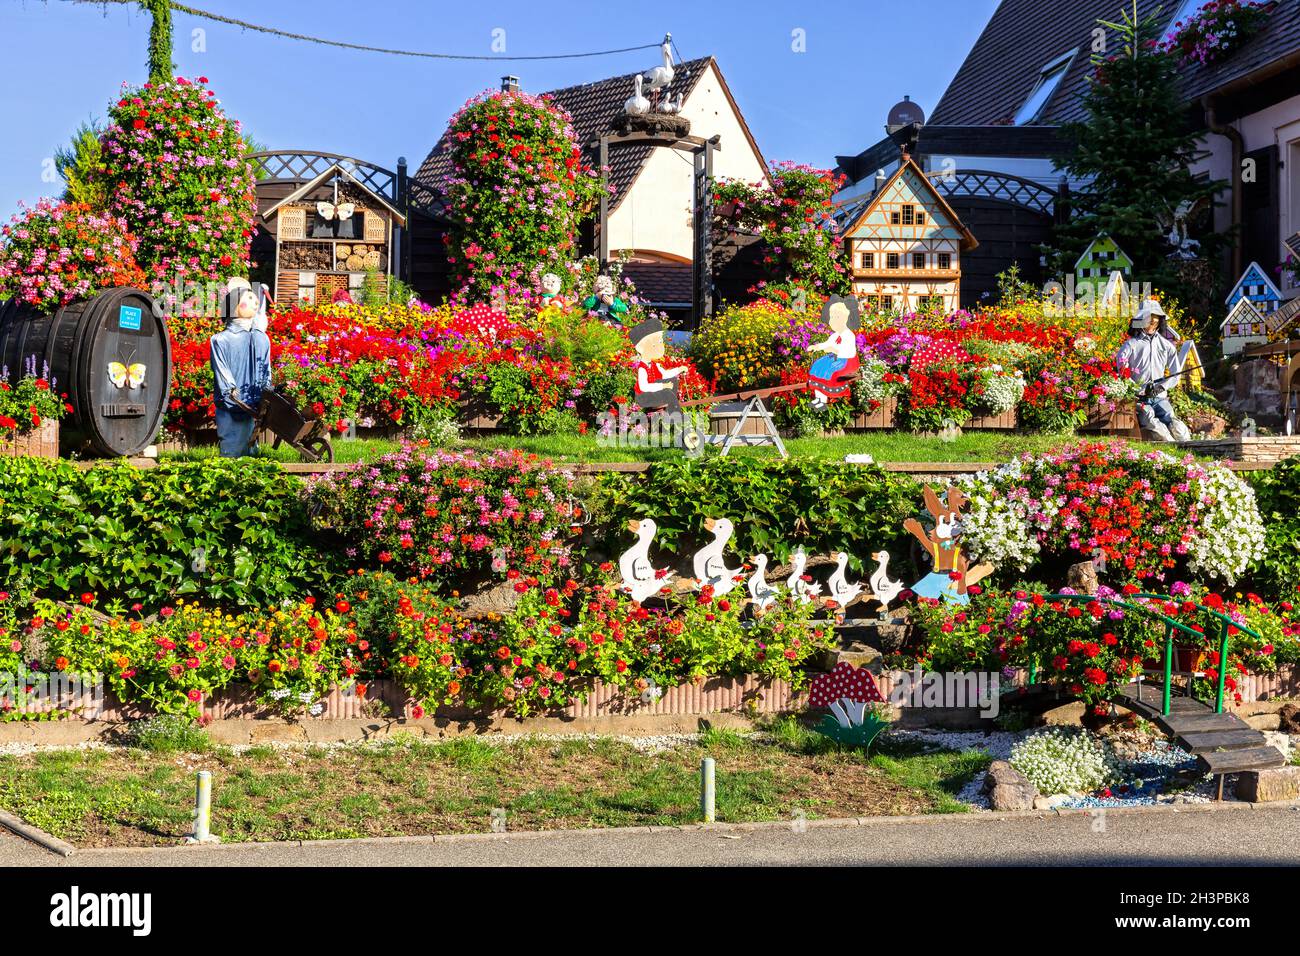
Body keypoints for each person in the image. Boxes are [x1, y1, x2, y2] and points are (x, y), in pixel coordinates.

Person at [210, 278, 272, 457]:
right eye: (249, 299)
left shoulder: (260, 338)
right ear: (234, 306)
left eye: (255, 299)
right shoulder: (221, 340)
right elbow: (221, 369)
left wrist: (266, 390)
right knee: (232, 438)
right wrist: (230, 390)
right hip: (232, 401)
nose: (255, 302)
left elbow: (265, 367)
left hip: (255, 399)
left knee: (251, 437)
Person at [1115, 299, 1191, 442]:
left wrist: (1162, 387)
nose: (1151, 325)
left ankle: (1189, 445)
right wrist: (1136, 388)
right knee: (1149, 417)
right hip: (1138, 398)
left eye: (1155, 322)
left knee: (1170, 417)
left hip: (1159, 396)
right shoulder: (1131, 345)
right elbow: (1122, 369)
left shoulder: (1167, 346)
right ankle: (1171, 446)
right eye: (1148, 321)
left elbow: (1175, 375)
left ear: (1160, 323)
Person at [807, 295, 861, 409]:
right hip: (834, 358)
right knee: (817, 366)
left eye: (836, 317)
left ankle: (824, 399)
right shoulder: (835, 335)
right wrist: (816, 347)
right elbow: (827, 343)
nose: (832, 321)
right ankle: (819, 400)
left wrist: (834, 350)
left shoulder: (849, 335)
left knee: (829, 371)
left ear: (844, 319)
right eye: (832, 317)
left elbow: (849, 352)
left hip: (846, 361)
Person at [630, 317, 685, 415]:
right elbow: (644, 387)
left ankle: (666, 407)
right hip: (644, 396)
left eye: (660, 342)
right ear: (642, 348)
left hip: (653, 392)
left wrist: (679, 369)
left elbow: (664, 374)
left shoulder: (654, 364)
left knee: (673, 380)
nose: (660, 347)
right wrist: (663, 386)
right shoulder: (642, 368)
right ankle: (676, 417)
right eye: (655, 344)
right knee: (668, 393)